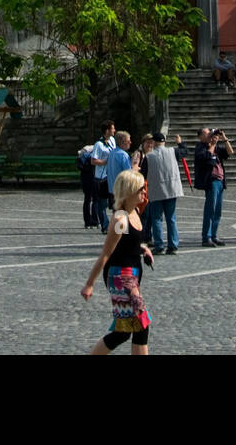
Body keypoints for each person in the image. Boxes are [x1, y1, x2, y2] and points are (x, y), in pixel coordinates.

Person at [80, 169, 154, 355]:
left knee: (129, 330)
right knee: (137, 326)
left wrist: (142, 249)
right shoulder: (120, 218)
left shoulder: (135, 211)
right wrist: (89, 284)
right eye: (140, 189)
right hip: (121, 277)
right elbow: (106, 253)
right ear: (128, 191)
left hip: (133, 275)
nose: (144, 192)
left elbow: (129, 242)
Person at [143, 131, 183, 254]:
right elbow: (184, 151)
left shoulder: (149, 157)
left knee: (156, 219)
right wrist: (180, 143)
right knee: (171, 218)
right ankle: (173, 245)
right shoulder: (173, 151)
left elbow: (143, 174)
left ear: (154, 142)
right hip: (171, 189)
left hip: (156, 191)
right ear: (164, 142)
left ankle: (159, 245)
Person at [194, 126, 232, 247]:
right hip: (211, 181)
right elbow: (205, 157)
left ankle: (214, 235)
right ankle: (206, 237)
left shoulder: (216, 147)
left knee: (217, 211)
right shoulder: (200, 147)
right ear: (200, 136)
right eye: (207, 133)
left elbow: (230, 152)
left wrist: (224, 139)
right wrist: (212, 144)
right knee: (210, 210)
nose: (210, 135)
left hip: (220, 181)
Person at [90, 120, 116, 233]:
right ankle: (105, 226)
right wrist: (106, 162)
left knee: (115, 203)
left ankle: (117, 226)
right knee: (102, 204)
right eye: (112, 128)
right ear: (107, 130)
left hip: (111, 175)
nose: (114, 130)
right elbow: (93, 161)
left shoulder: (113, 141)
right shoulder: (98, 144)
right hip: (101, 178)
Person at [106, 131, 132, 200]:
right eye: (128, 141)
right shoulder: (123, 155)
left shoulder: (111, 153)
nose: (130, 142)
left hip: (112, 189)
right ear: (122, 142)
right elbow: (129, 174)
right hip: (121, 191)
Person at [78, 144, 99, 229]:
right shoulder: (97, 151)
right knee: (96, 199)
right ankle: (95, 221)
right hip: (93, 177)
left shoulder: (84, 152)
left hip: (85, 178)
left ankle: (87, 222)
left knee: (87, 199)